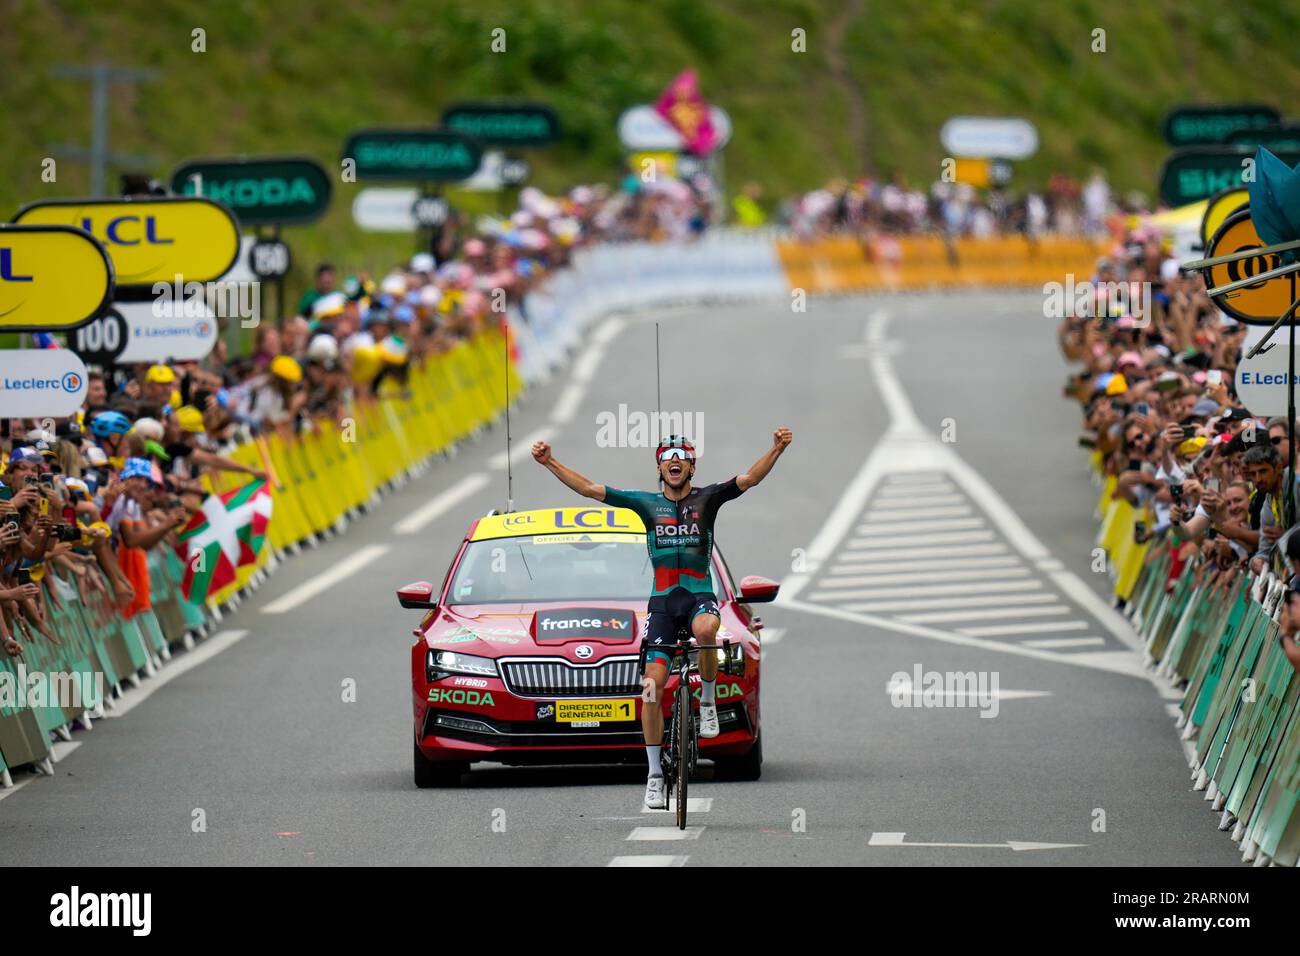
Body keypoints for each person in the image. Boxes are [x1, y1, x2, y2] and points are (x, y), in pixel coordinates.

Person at [532, 427, 793, 809]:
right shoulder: (644, 504)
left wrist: (776, 448)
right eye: (667, 457)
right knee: (651, 689)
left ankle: (706, 703)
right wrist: (548, 461)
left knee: (707, 628)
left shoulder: (710, 498)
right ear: (659, 465)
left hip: (699, 597)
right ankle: (655, 775)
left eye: (681, 457)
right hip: (662, 606)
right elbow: (590, 489)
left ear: (691, 466)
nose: (674, 461)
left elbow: (749, 479)